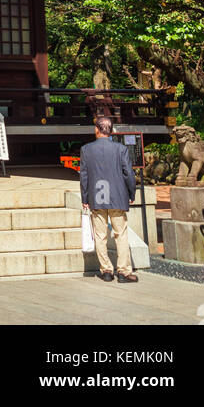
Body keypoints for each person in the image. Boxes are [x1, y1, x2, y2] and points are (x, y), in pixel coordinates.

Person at [80, 114, 139, 282]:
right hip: (117, 196)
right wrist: (131, 193)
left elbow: (84, 176)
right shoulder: (121, 149)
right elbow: (128, 174)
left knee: (100, 235)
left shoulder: (86, 149)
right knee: (121, 234)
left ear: (96, 130)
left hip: (97, 196)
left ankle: (106, 270)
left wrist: (85, 198)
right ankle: (123, 272)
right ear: (112, 131)